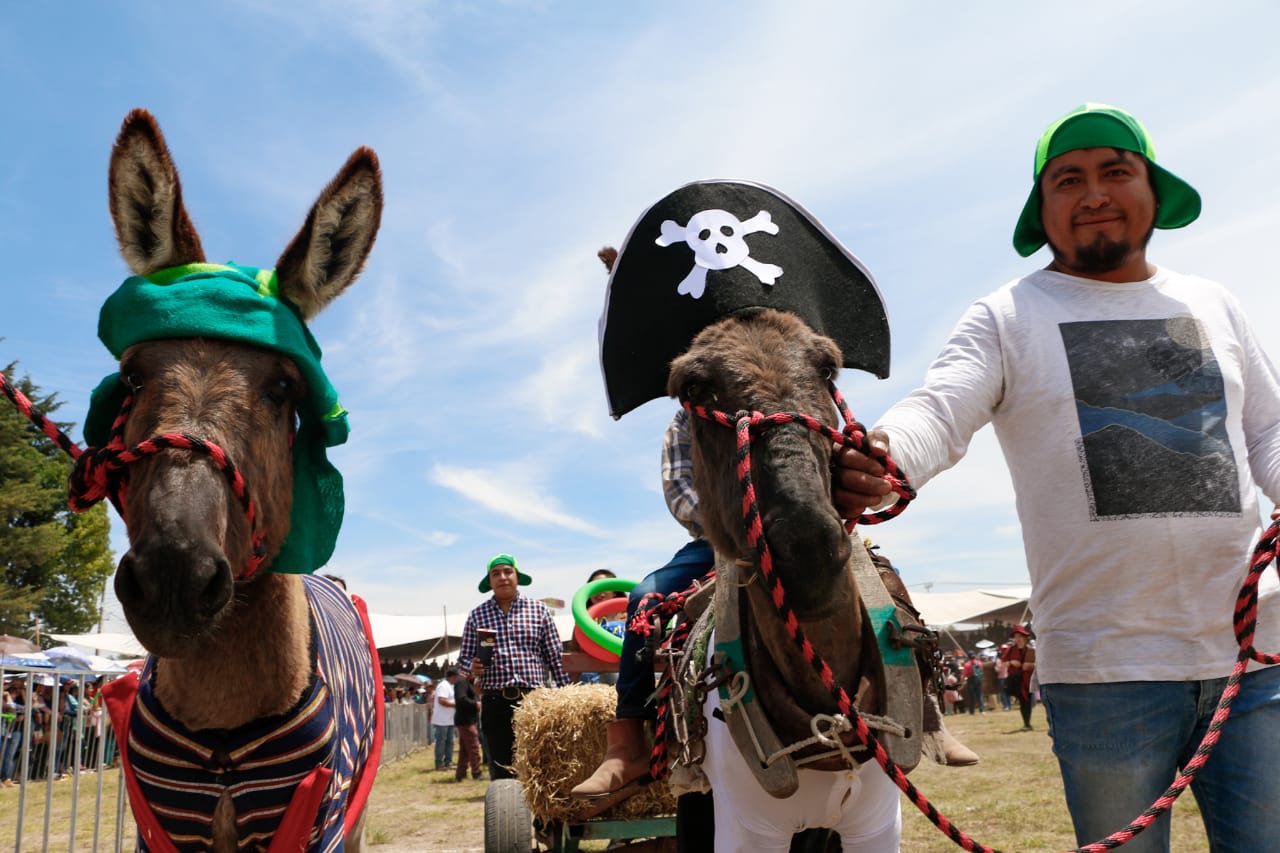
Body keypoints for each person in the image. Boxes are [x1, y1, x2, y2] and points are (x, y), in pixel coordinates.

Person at [835, 103, 1280, 852]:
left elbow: (1267, 430)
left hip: (1254, 659)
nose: (1094, 193)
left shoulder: (1215, 304)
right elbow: (939, 409)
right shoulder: (1006, 316)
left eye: (1115, 171)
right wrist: (887, 458)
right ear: (1041, 210)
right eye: (1068, 179)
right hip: (1104, 671)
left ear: (1153, 190)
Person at [458, 554, 570, 781]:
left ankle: (540, 807)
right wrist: (473, 667)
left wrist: (567, 694)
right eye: (496, 573)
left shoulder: (539, 610)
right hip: (494, 702)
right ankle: (506, 803)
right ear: (489, 582)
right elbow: (463, 661)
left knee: (541, 768)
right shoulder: (477, 615)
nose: (502, 577)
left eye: (508, 572)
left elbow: (555, 658)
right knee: (503, 770)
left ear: (517, 577)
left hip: (535, 700)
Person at [579, 568, 627, 686]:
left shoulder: (631, 615)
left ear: (615, 592)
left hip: (623, 675)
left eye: (604, 587)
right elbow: (576, 650)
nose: (599, 592)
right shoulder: (583, 619)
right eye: (595, 587)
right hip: (590, 681)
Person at [1002, 626, 1036, 730]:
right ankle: (1027, 723)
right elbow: (1004, 664)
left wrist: (1030, 666)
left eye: (1020, 636)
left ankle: (1027, 723)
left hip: (1027, 680)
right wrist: (1011, 662)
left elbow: (1038, 664)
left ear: (1025, 637)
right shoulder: (1010, 650)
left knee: (1027, 701)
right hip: (1016, 680)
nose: (1018, 639)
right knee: (1022, 701)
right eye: (1016, 637)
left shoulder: (1031, 650)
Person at [453, 670, 484, 782]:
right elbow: (461, 699)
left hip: (468, 719)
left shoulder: (466, 681)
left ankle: (461, 773)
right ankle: (476, 772)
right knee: (473, 746)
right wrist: (475, 704)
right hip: (466, 720)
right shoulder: (461, 681)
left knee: (465, 749)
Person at [432, 669, 458, 770]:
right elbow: (442, 700)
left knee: (450, 742)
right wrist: (456, 704)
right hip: (442, 720)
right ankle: (439, 763)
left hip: (450, 719)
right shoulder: (443, 685)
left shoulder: (450, 686)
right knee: (441, 741)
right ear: (452, 676)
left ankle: (448, 762)